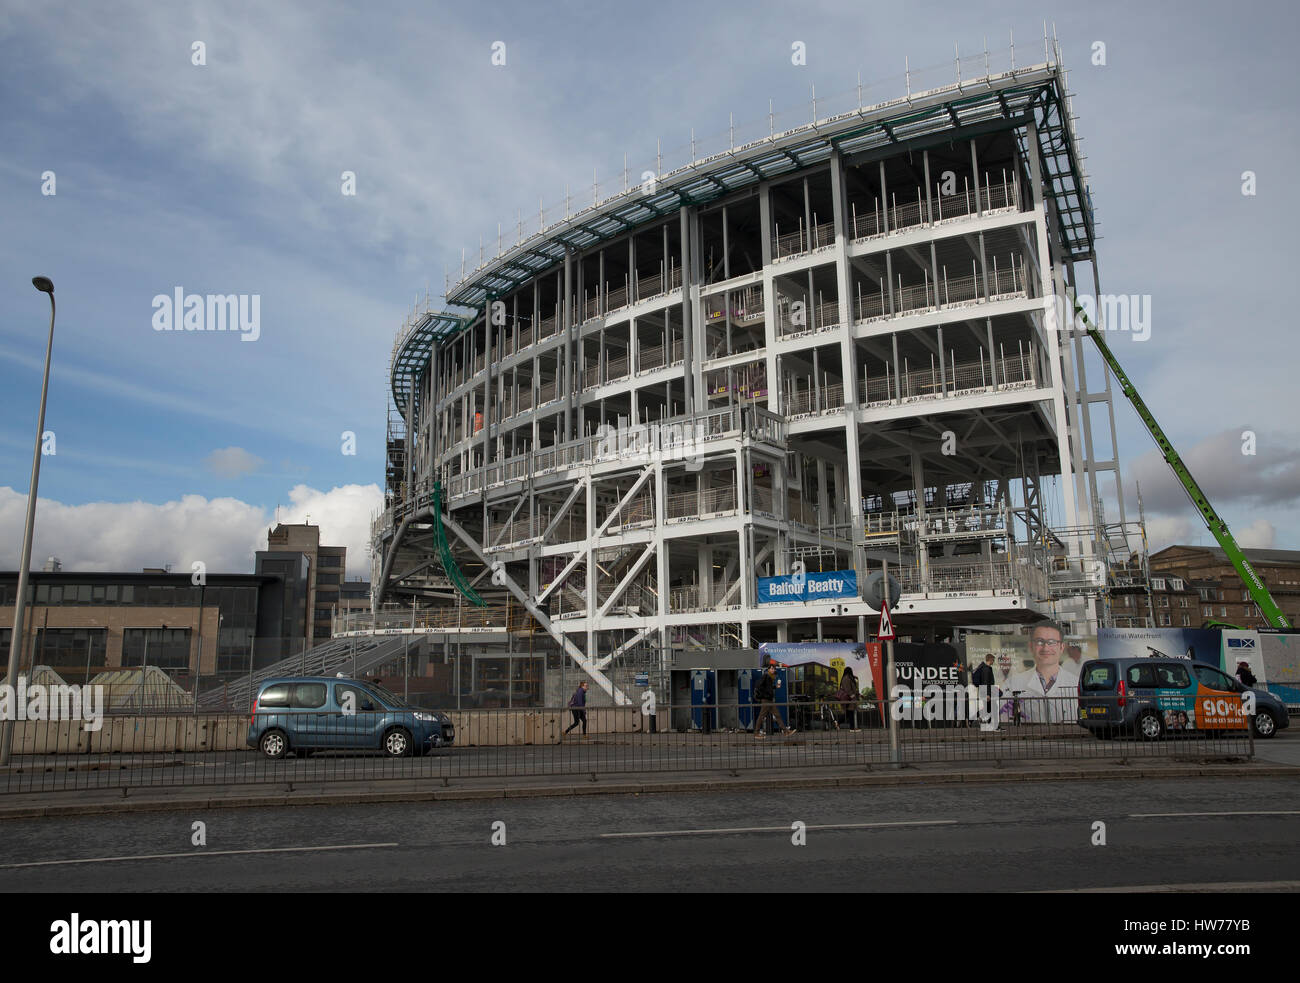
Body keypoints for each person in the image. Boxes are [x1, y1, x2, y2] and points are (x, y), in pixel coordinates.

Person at [1002, 622, 1080, 724]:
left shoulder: (1076, 683)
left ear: (1061, 647)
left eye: (1052, 642)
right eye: (1039, 642)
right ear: (1031, 646)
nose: (1046, 648)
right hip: (1029, 739)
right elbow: (1003, 718)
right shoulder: (1013, 683)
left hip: (1069, 739)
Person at [752, 664, 795, 738]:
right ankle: (756, 733)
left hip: (769, 700)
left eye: (774, 669)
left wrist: (775, 686)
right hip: (766, 700)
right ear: (768, 669)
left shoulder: (770, 678)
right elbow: (760, 686)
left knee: (777, 715)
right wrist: (766, 694)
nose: (773, 670)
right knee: (761, 716)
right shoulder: (766, 676)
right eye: (771, 668)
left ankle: (785, 731)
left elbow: (768, 687)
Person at [971, 653, 996, 725]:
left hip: (985, 691)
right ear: (990, 659)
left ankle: (988, 722)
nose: (993, 662)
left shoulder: (985, 668)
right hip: (986, 692)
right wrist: (987, 694)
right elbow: (985, 682)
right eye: (993, 660)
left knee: (988, 708)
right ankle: (974, 719)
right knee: (989, 708)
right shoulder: (986, 669)